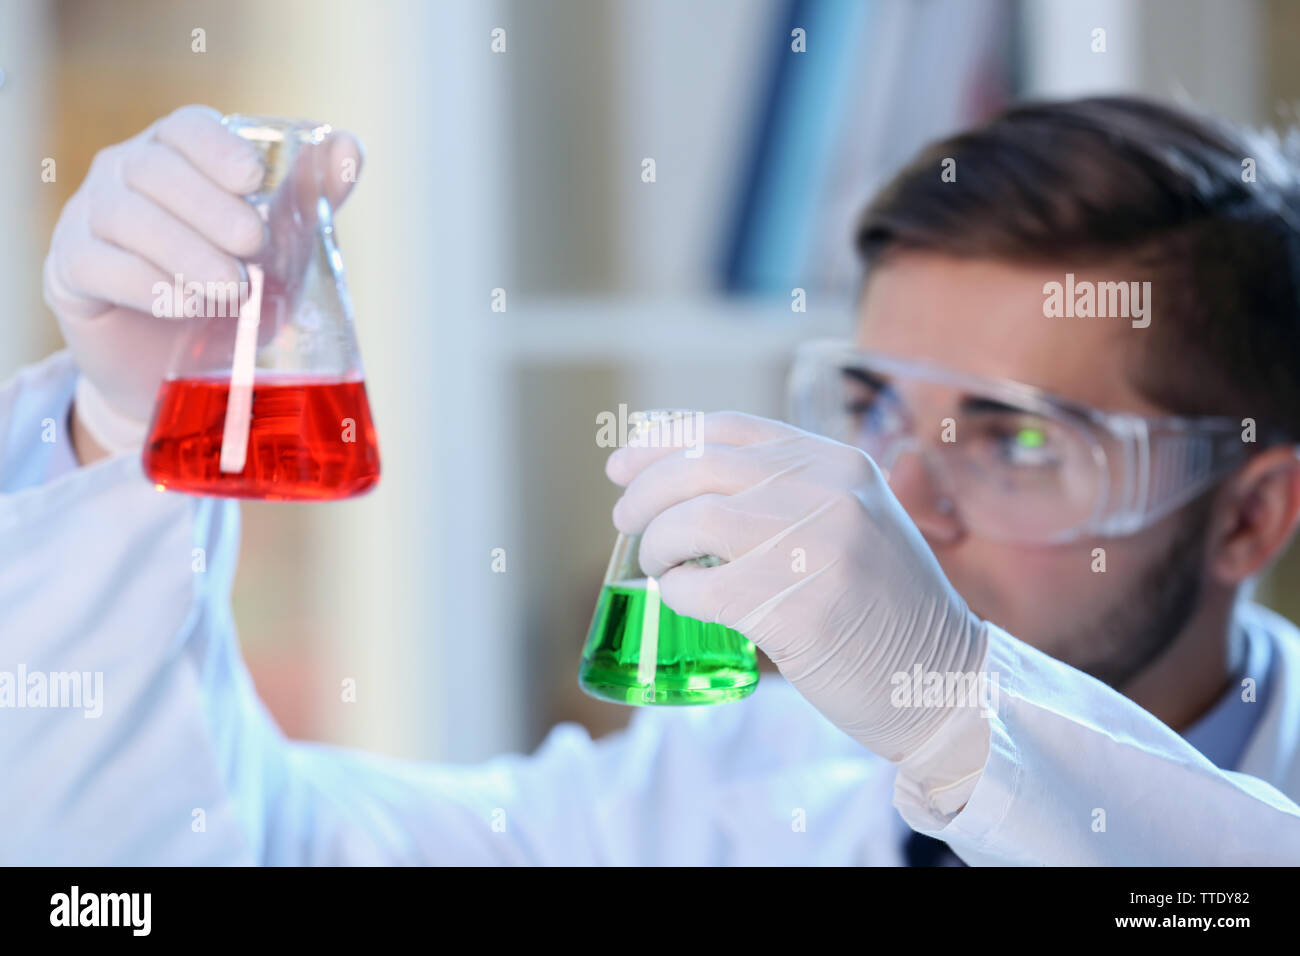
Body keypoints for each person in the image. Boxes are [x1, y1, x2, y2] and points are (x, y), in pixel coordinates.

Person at [3, 99, 1299, 865]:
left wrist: (968, 714)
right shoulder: (733, 787)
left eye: (1015, 438)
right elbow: (213, 852)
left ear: (1252, 513)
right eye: (871, 407)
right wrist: (125, 430)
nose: (899, 499)